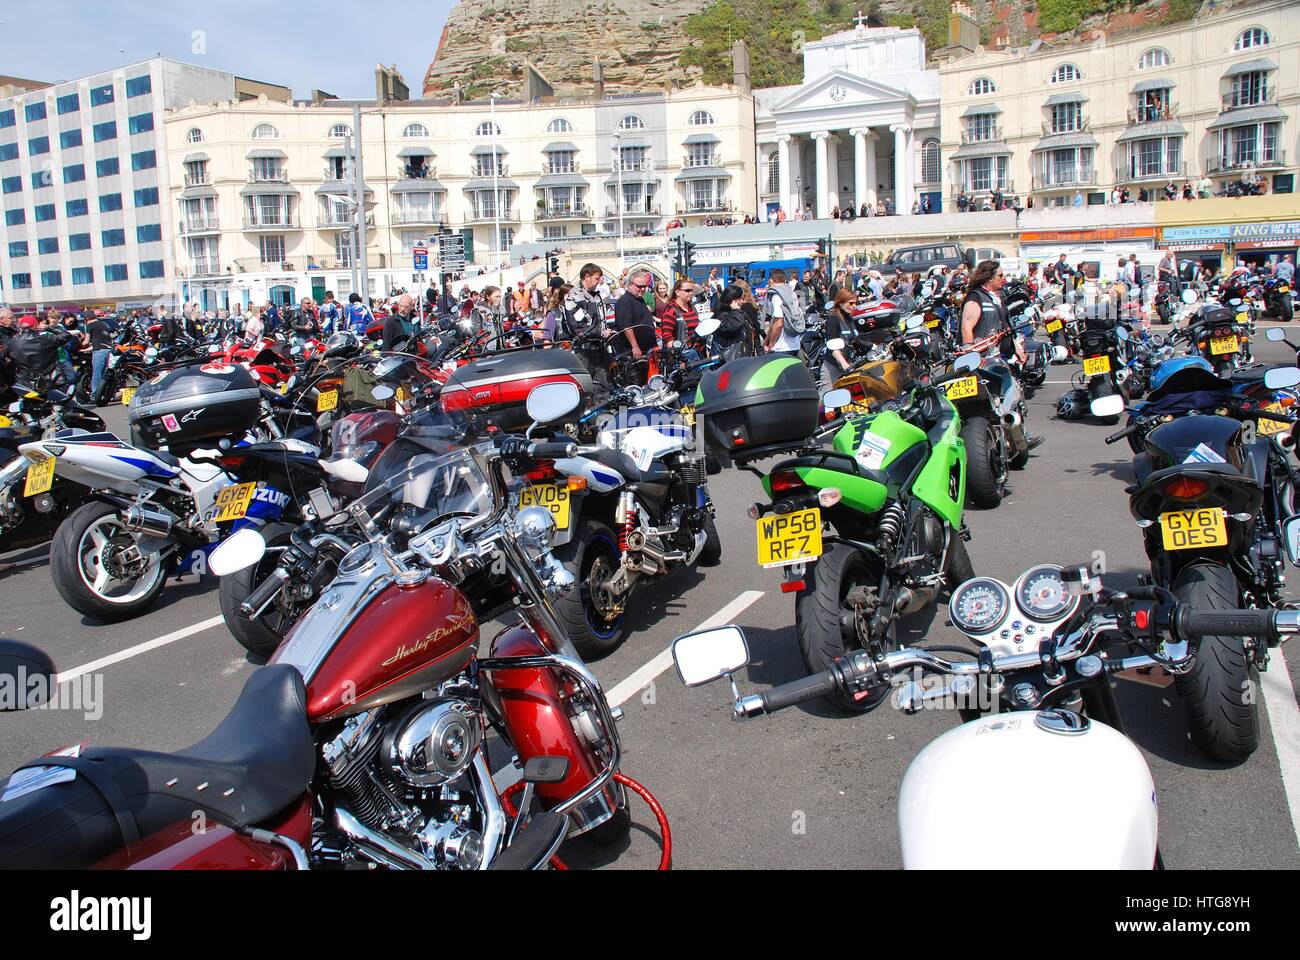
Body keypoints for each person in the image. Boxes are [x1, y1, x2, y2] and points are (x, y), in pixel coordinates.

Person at [960, 259, 1024, 365]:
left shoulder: (994, 297)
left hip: (1000, 358)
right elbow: (966, 329)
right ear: (989, 278)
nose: (1003, 278)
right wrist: (971, 360)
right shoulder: (975, 297)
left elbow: (1004, 328)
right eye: (1000, 275)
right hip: (984, 361)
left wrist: (1016, 348)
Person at [614, 270, 657, 385]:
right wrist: (635, 347)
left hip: (644, 352)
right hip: (632, 354)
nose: (642, 289)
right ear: (630, 285)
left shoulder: (639, 299)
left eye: (645, 286)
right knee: (635, 387)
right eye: (639, 286)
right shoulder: (625, 301)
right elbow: (626, 326)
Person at [820, 287, 857, 395]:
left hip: (850, 366)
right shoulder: (833, 319)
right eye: (851, 303)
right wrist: (844, 363)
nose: (854, 306)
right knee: (825, 403)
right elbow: (832, 345)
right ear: (840, 303)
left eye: (855, 303)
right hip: (833, 367)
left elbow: (856, 340)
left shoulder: (850, 319)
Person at [762, 268, 805, 356]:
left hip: (781, 347)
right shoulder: (792, 293)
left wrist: (771, 344)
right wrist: (766, 341)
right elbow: (773, 322)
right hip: (795, 345)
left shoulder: (776, 296)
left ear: (771, 280)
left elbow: (778, 323)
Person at [657, 277, 700, 351]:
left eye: (691, 290)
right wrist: (678, 356)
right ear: (677, 292)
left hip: (697, 353)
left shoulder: (692, 308)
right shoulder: (671, 311)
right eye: (687, 290)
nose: (690, 293)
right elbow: (667, 337)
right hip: (682, 354)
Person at [85, 311, 118, 399]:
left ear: (87, 319)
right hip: (109, 350)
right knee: (105, 373)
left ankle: (94, 395)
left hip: (99, 351)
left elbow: (87, 341)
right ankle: (106, 394)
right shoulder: (104, 324)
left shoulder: (90, 325)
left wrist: (80, 346)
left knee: (97, 374)